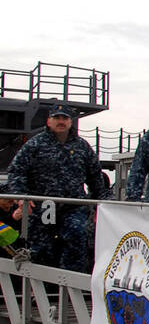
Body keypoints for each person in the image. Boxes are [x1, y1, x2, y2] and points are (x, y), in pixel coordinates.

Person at [4, 102, 110, 272]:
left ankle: (70, 291)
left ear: (70, 122)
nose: (61, 121)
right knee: (40, 250)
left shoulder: (82, 146)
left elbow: (96, 178)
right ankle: (38, 293)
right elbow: (17, 172)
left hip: (73, 207)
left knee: (76, 240)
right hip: (42, 207)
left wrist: (102, 205)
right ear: (49, 121)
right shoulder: (35, 145)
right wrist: (20, 197)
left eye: (65, 118)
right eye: (57, 118)